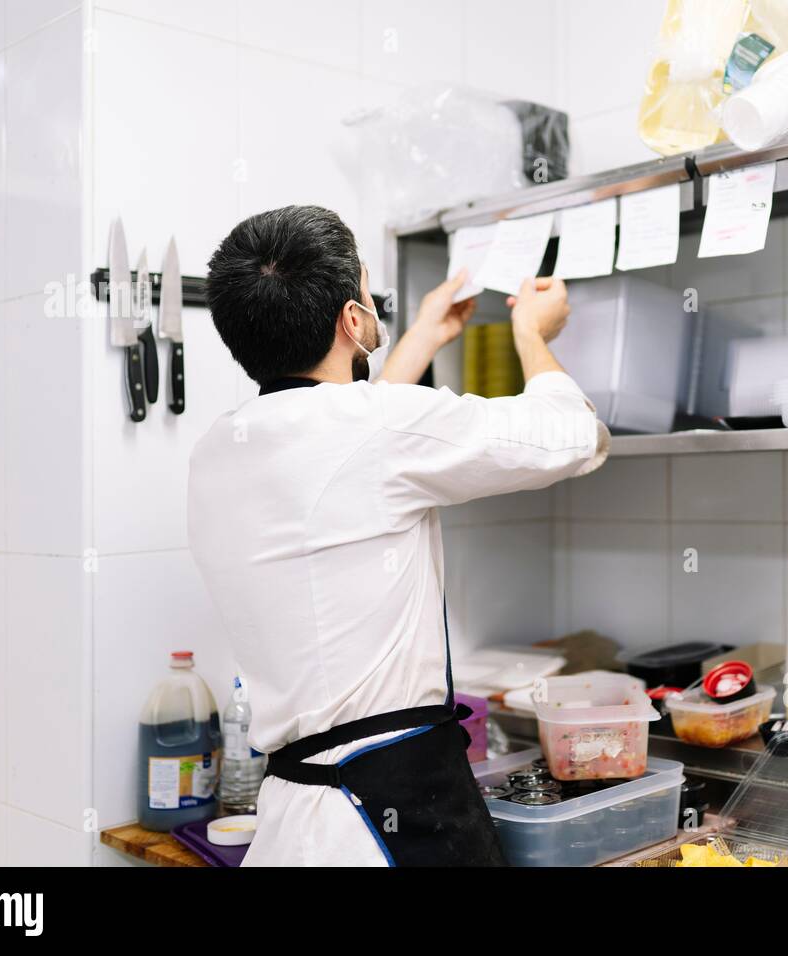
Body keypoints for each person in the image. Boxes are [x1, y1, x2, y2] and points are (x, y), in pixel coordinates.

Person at [188, 205, 608, 866]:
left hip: (294, 820)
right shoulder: (375, 429)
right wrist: (533, 333)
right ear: (354, 321)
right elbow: (577, 435)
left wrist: (418, 340)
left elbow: (346, 463)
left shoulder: (218, 449)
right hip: (384, 820)